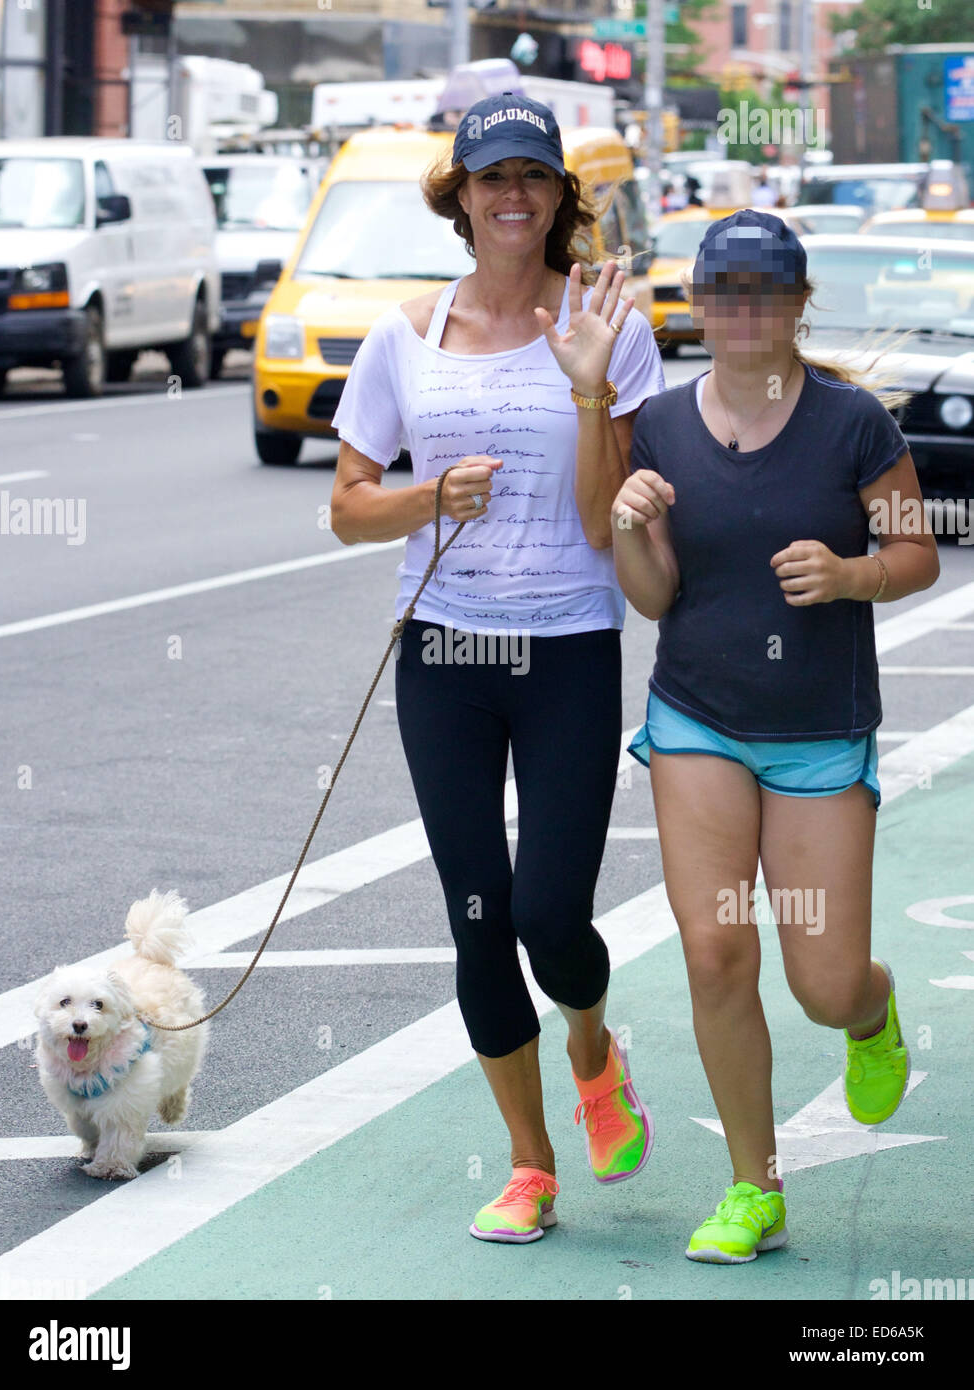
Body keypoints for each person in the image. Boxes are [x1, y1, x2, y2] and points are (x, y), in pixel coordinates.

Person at [328, 90, 666, 1243]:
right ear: (460, 200)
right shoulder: (403, 338)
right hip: (444, 654)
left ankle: (590, 1044)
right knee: (477, 916)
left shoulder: (610, 325)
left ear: (559, 195)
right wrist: (429, 494)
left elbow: (599, 530)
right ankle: (529, 1165)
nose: (510, 192)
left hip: (566, 645)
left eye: (531, 174)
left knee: (550, 913)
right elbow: (347, 508)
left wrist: (585, 382)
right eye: (489, 176)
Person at [607, 209, 939, 1263]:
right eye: (721, 292)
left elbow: (917, 556)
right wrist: (628, 526)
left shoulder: (851, 424)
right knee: (713, 948)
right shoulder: (657, 425)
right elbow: (653, 598)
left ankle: (871, 1008)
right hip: (696, 717)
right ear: (697, 304)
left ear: (796, 305)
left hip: (815, 737)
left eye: (762, 292)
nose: (740, 311)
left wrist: (849, 576)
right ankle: (752, 1188)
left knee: (821, 983)